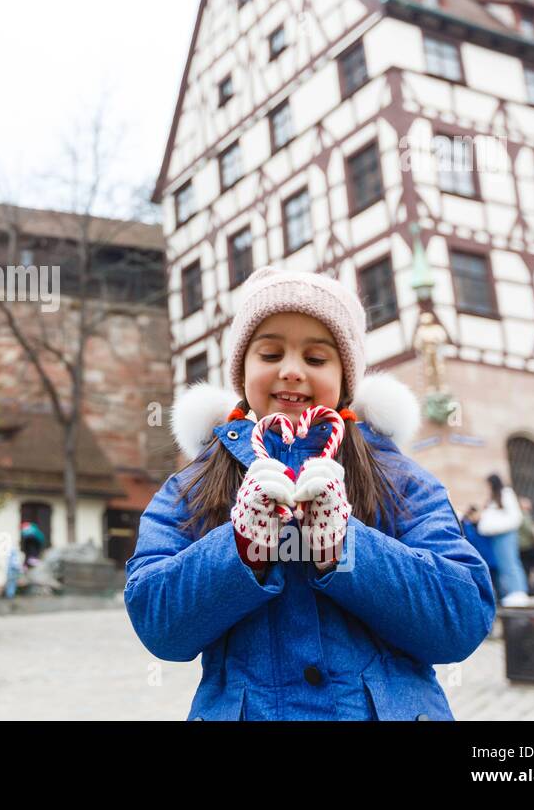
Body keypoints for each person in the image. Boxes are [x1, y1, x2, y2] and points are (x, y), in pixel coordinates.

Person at [126, 266, 496, 720]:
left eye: (317, 359)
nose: (291, 371)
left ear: (346, 377)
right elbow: (160, 626)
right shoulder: (194, 484)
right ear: (242, 369)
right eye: (269, 353)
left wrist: (346, 547)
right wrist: (239, 550)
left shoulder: (399, 478)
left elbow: (460, 621)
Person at [477, 475, 530, 607]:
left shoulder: (506, 494)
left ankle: (518, 592)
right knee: (502, 564)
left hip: (506, 534)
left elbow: (514, 517)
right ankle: (509, 592)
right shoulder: (493, 499)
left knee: (510, 562)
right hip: (495, 536)